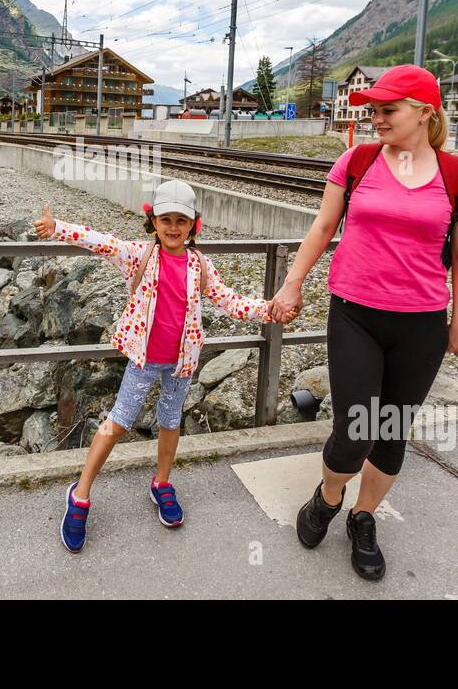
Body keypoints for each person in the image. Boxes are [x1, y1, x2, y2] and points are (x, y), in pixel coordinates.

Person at [268, 64, 458, 582]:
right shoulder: (358, 161)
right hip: (356, 314)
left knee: (391, 431)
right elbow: (323, 226)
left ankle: (363, 518)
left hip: (422, 324)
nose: (375, 118)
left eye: (388, 109)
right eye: (373, 110)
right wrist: (292, 282)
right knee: (354, 431)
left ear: (424, 112)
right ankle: (328, 497)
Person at [32, 179, 281, 553]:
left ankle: (162, 483)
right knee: (117, 423)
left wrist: (270, 309)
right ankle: (80, 494)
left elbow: (230, 301)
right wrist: (58, 229)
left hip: (181, 364)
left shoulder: (200, 266)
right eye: (166, 219)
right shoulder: (139, 255)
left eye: (182, 220)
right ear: (153, 222)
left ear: (194, 224)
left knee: (170, 422)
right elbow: (101, 241)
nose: (174, 228)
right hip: (144, 360)